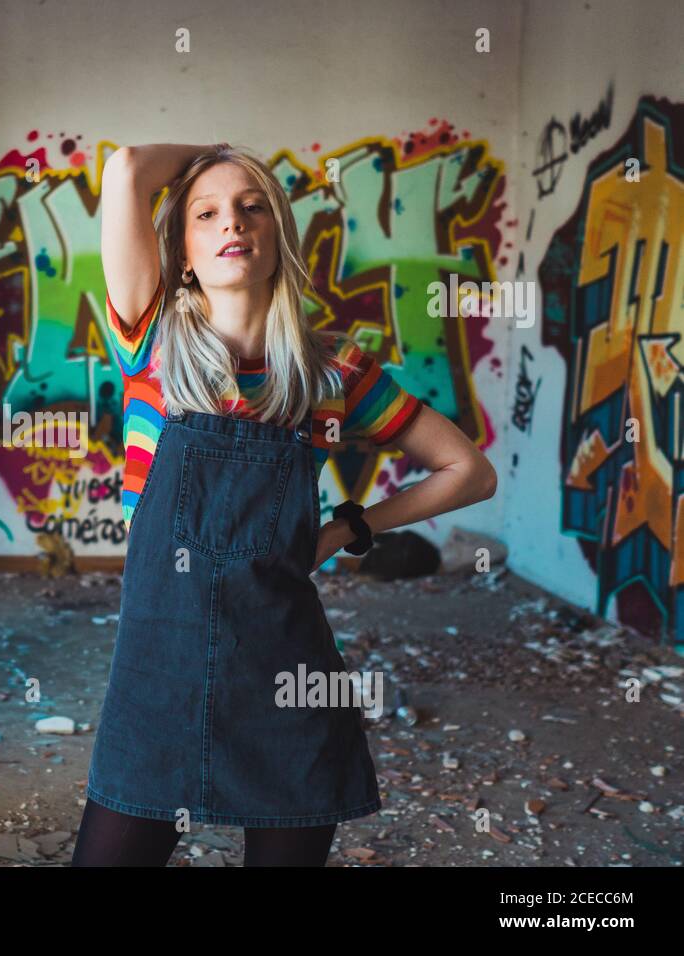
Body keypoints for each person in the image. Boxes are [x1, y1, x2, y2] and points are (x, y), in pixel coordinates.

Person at [70, 143, 497, 867]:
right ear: (181, 251)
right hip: (158, 678)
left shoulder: (335, 371)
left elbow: (469, 471)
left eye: (252, 205)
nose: (231, 222)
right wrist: (217, 152)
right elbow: (128, 167)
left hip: (286, 678)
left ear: (279, 235)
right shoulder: (148, 341)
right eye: (206, 214)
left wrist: (347, 529)